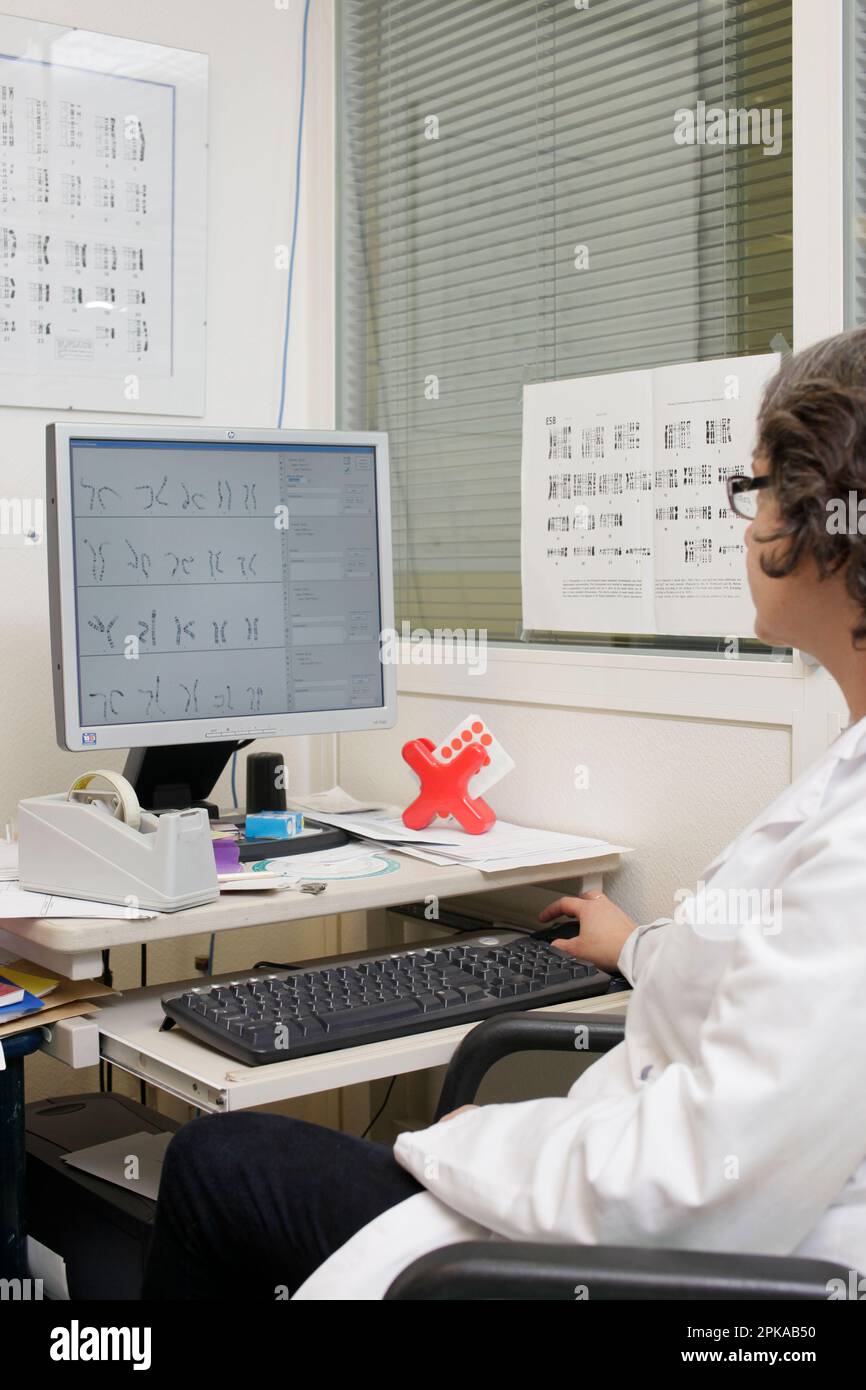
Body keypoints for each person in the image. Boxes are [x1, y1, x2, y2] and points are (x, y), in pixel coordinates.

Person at [144, 328, 866, 1300]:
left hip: (680, 1278)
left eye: (758, 491)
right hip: (651, 1214)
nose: (744, 526)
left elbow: (693, 1191)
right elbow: (769, 992)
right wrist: (638, 945)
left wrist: (470, 1147)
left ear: (828, 519)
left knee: (211, 1162)